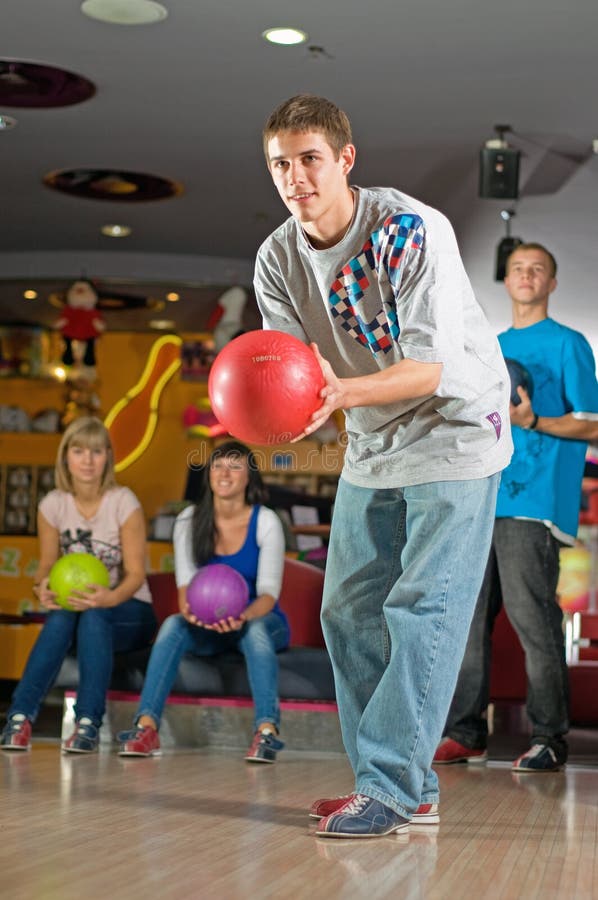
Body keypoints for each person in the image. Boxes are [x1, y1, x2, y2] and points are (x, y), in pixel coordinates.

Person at [253, 94, 513, 838]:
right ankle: (404, 784)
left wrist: (337, 395)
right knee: (347, 612)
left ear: (344, 159)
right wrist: (277, 411)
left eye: (309, 158)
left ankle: (392, 790)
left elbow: (429, 368)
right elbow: (287, 371)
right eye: (280, 163)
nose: (295, 176)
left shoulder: (408, 229)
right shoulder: (276, 257)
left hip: (457, 429)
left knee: (421, 608)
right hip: (372, 436)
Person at [435, 242, 598, 772]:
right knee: (468, 621)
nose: (527, 276)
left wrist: (534, 423)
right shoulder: (491, 346)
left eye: (538, 270)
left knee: (534, 623)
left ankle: (550, 738)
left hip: (535, 505)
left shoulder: (570, 344)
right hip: (482, 500)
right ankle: (466, 733)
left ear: (551, 284)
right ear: (506, 281)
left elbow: (592, 422)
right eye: (518, 269)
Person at [117, 440, 289, 762]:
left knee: (256, 632)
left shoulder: (266, 521)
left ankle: (267, 731)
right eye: (218, 465)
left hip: (259, 620)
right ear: (208, 474)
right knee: (172, 625)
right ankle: (146, 727)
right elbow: (186, 587)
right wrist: (192, 614)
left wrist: (243, 617)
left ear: (249, 476)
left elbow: (268, 593)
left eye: (235, 466)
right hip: (207, 623)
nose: (225, 473)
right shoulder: (188, 521)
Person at [0, 416, 157, 753]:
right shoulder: (53, 505)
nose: (87, 460)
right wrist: (41, 588)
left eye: (97, 452)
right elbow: (45, 565)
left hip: (130, 610)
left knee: (94, 614)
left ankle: (87, 722)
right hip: (80, 609)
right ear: (66, 457)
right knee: (61, 616)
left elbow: (135, 574)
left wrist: (109, 597)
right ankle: (20, 718)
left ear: (107, 458)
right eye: (79, 450)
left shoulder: (123, 501)